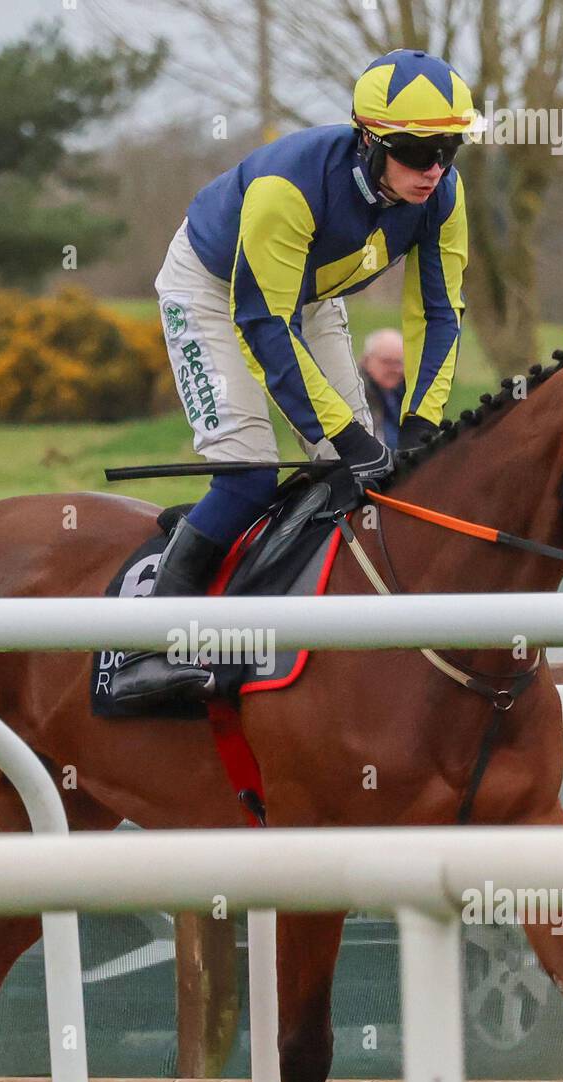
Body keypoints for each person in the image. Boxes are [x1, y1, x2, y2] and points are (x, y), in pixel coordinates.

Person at [112, 48, 474, 708]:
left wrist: (421, 422)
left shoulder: (442, 193)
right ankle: (148, 646)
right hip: (214, 291)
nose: (433, 168)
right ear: (367, 138)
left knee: (363, 479)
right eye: (414, 150)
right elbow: (261, 324)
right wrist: (346, 435)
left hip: (304, 295)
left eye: (448, 147)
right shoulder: (289, 185)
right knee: (250, 470)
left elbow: (439, 312)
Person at [359, 328, 407, 449]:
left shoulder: (410, 395)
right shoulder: (354, 396)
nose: (395, 369)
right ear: (366, 360)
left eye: (399, 362)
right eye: (387, 362)